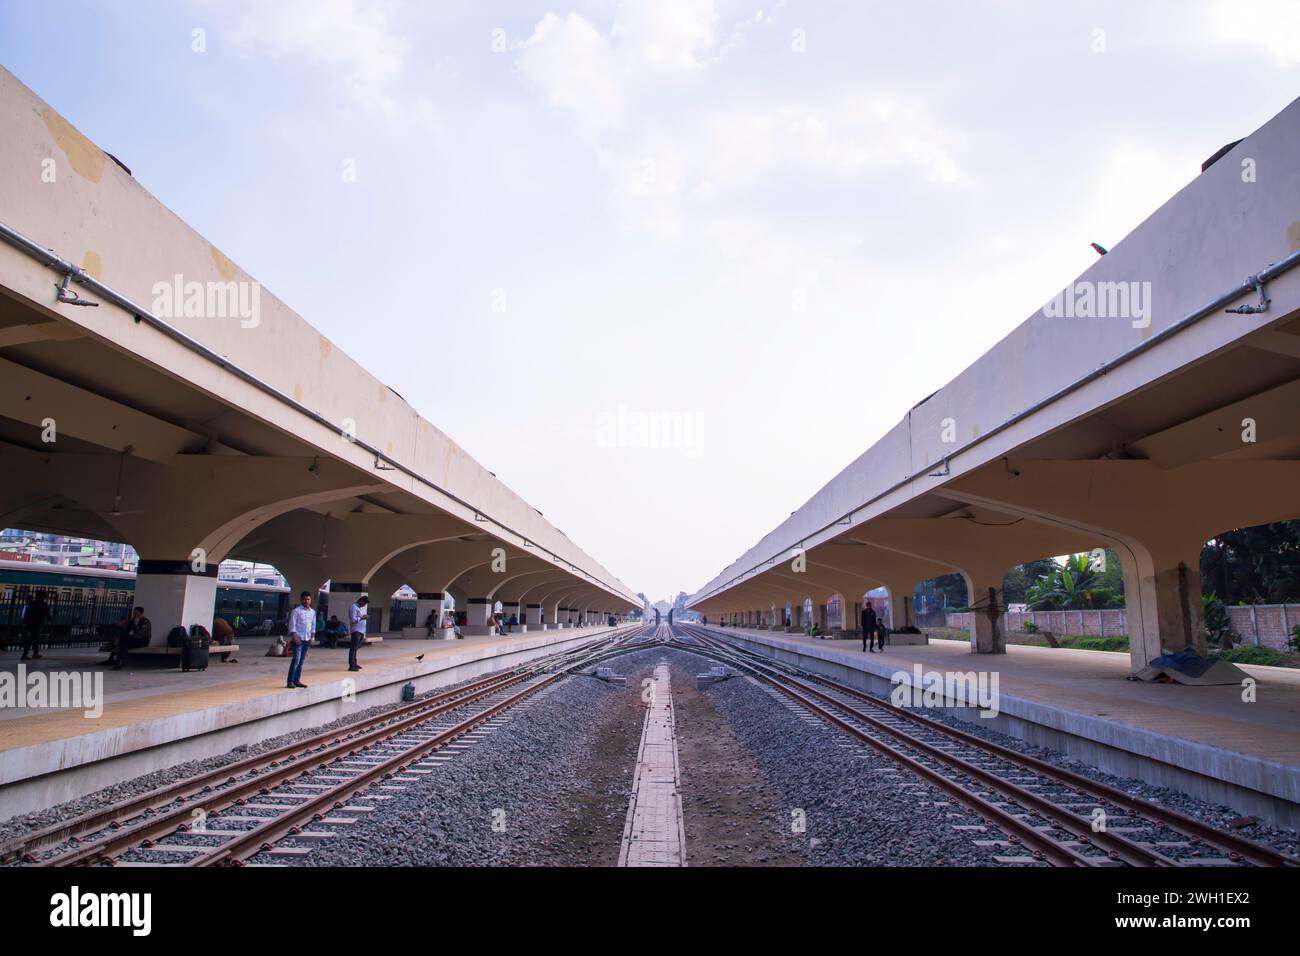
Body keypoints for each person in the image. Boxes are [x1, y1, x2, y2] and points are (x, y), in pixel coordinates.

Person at [287, 591, 315, 688]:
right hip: (298, 640)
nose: (306, 601)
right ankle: (290, 681)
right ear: (301, 600)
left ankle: (297, 680)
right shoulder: (296, 611)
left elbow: (313, 626)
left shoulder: (312, 612)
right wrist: (295, 637)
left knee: (301, 662)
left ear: (310, 600)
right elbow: (292, 625)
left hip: (307, 639)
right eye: (304, 599)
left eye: (308, 599)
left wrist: (312, 637)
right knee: (296, 661)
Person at [19, 590, 50, 661]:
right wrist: (50, 621)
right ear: (43, 596)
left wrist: (25, 622)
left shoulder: (32, 603)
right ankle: (24, 655)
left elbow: (27, 613)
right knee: (31, 639)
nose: (46, 596)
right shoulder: (44, 604)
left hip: (30, 624)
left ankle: (35, 653)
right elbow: (47, 615)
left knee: (34, 638)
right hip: (38, 624)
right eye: (45, 595)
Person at [347, 595, 368, 672]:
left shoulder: (359, 608)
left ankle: (354, 662)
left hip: (361, 630)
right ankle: (351, 664)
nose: (364, 605)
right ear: (361, 601)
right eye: (364, 603)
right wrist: (362, 618)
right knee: (353, 648)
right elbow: (353, 620)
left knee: (357, 647)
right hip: (356, 630)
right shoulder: (353, 607)